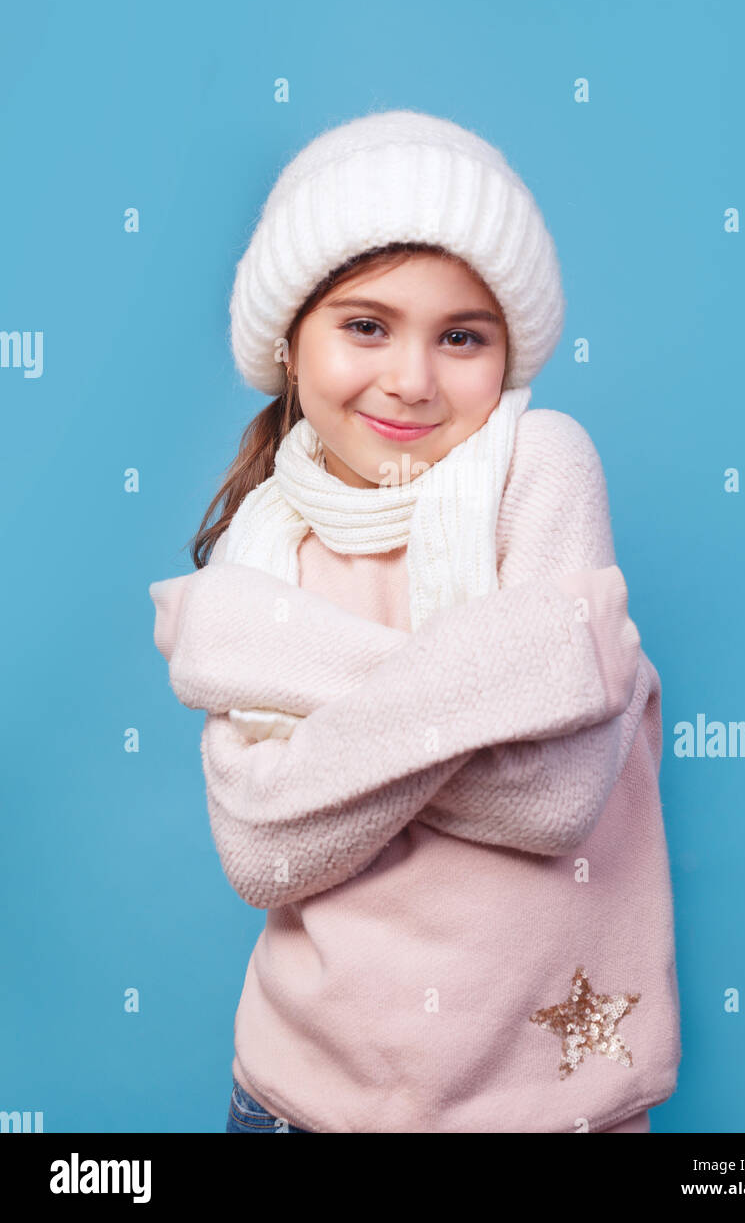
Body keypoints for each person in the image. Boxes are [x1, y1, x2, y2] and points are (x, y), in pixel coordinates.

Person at [149, 108, 681, 1134]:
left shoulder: (542, 465)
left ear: (507, 352)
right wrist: (513, 678)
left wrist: (289, 681)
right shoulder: (267, 544)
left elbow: (552, 798)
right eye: (364, 324)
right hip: (297, 1099)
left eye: (461, 336)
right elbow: (261, 854)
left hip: (545, 1111)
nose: (410, 377)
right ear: (290, 345)